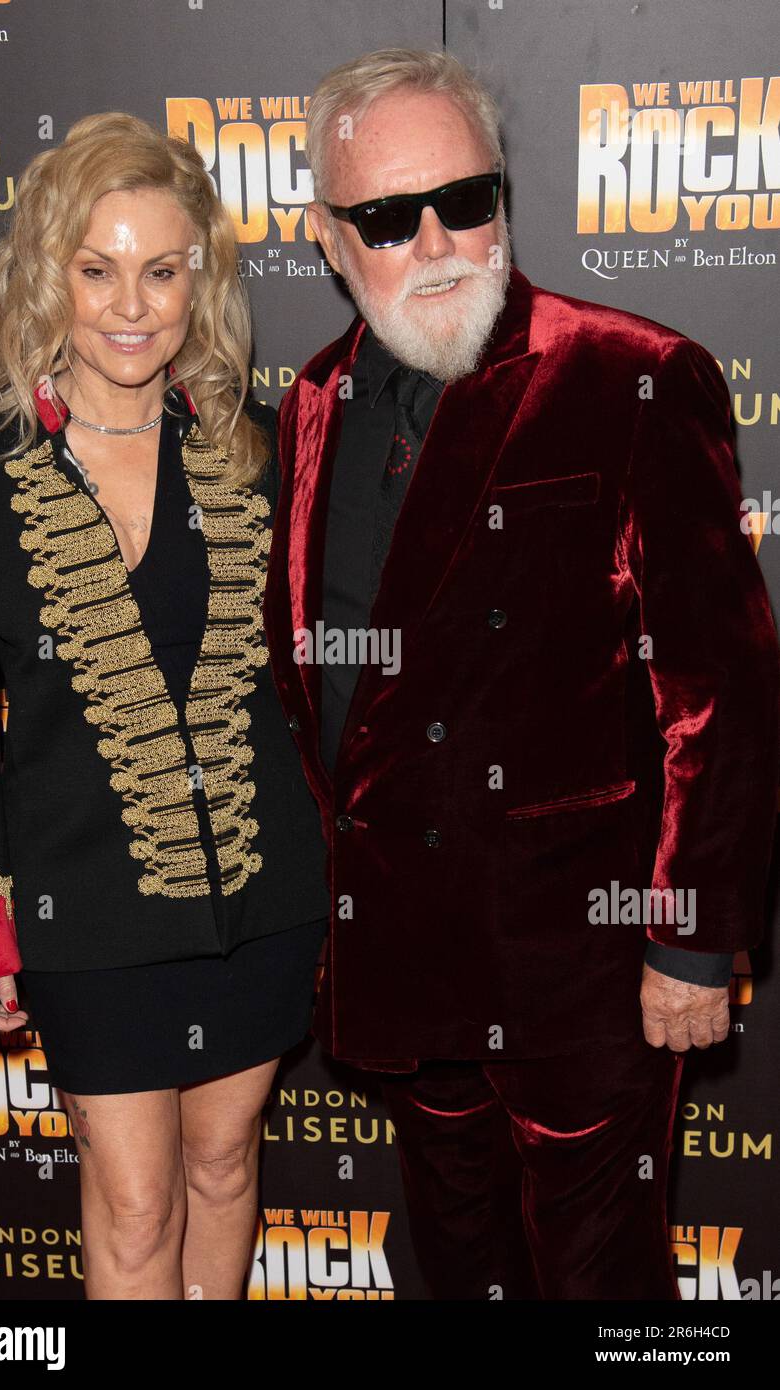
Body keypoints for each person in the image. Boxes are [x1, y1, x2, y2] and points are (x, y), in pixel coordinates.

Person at [263, 49, 780, 1299]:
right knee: (457, 1263)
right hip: (402, 953)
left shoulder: (628, 372)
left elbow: (722, 687)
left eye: (467, 198)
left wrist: (693, 943)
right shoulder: (311, 404)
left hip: (584, 967)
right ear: (329, 239)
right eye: (388, 218)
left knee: (600, 1279)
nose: (437, 238)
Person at [0, 112, 329, 1300]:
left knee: (222, 1159)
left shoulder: (252, 449)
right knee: (136, 1199)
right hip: (82, 899)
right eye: (97, 270)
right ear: (52, 270)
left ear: (200, 277)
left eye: (162, 269)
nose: (132, 304)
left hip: (261, 895)